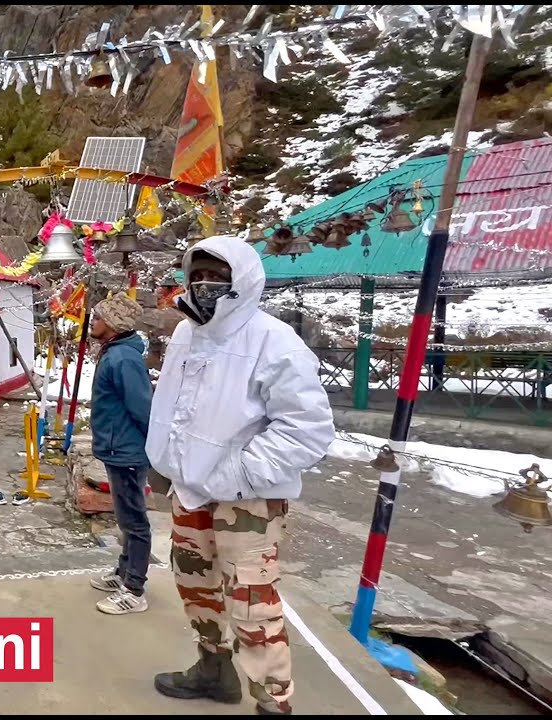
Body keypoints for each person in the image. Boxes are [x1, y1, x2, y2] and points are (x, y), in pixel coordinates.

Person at [146, 236, 335, 716]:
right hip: (190, 493)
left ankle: (274, 704)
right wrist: (163, 461)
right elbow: (177, 407)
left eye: (218, 277)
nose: (206, 286)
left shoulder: (274, 341)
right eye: (199, 276)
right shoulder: (188, 333)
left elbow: (307, 431)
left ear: (243, 281)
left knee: (252, 605)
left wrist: (238, 473)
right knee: (196, 587)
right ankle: (213, 670)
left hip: (247, 500)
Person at [86, 292, 153, 615]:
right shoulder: (114, 352)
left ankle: (134, 589)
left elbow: (142, 408)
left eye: (98, 317)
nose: (93, 322)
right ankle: (124, 573)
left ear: (113, 324)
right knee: (126, 519)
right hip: (117, 448)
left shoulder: (123, 359)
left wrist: (149, 445)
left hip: (127, 450)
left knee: (134, 520)